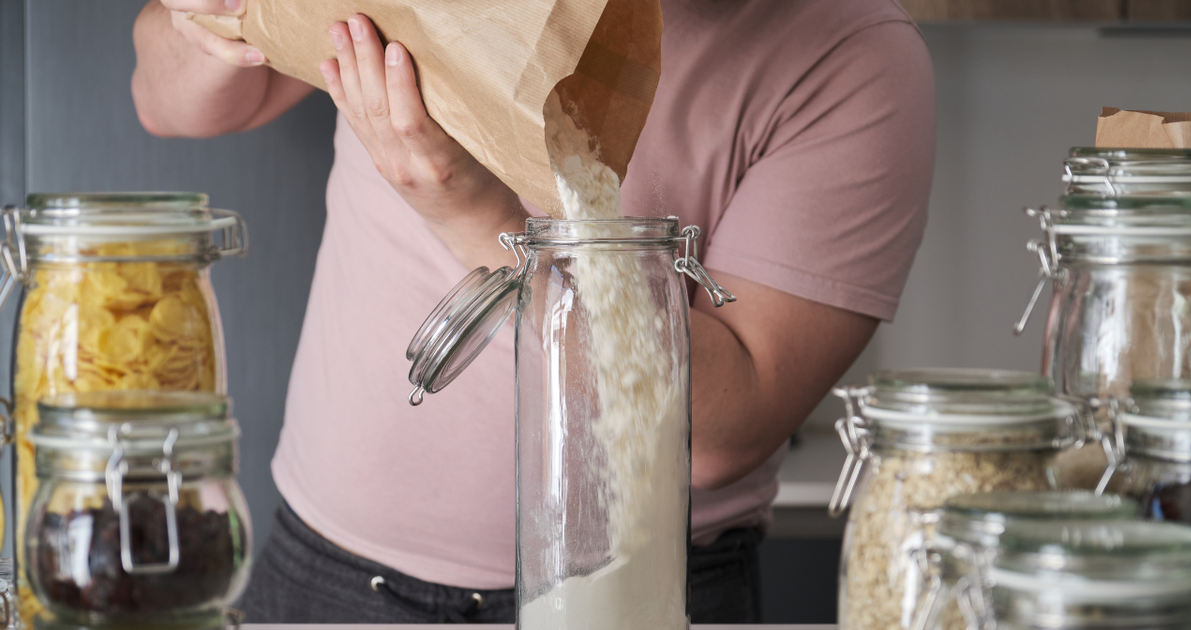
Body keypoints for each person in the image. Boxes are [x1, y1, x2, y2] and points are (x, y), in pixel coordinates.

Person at [131, 0, 934, 623]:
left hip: (637, 600)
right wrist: (208, 18)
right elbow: (173, 103)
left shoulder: (853, 56)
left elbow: (719, 433)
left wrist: (468, 211)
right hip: (330, 579)